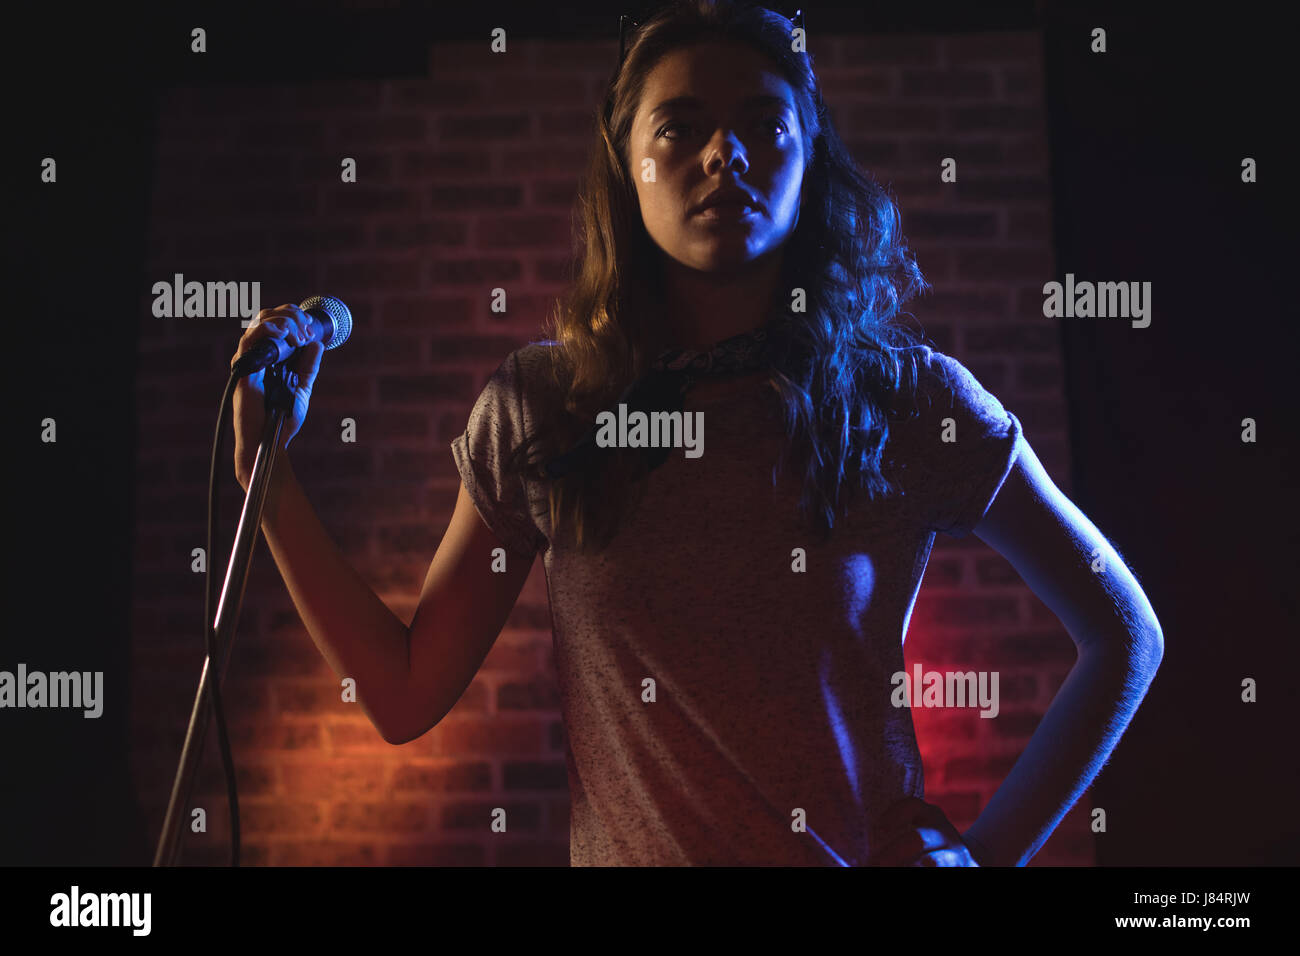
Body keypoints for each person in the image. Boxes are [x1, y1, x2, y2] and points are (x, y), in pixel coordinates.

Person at [230, 0, 1164, 867]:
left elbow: (1126, 634)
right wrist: (266, 478)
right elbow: (399, 694)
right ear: (624, 161)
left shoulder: (906, 398)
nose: (726, 154)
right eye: (679, 126)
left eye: (764, 124)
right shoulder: (543, 404)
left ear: (809, 157)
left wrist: (985, 858)